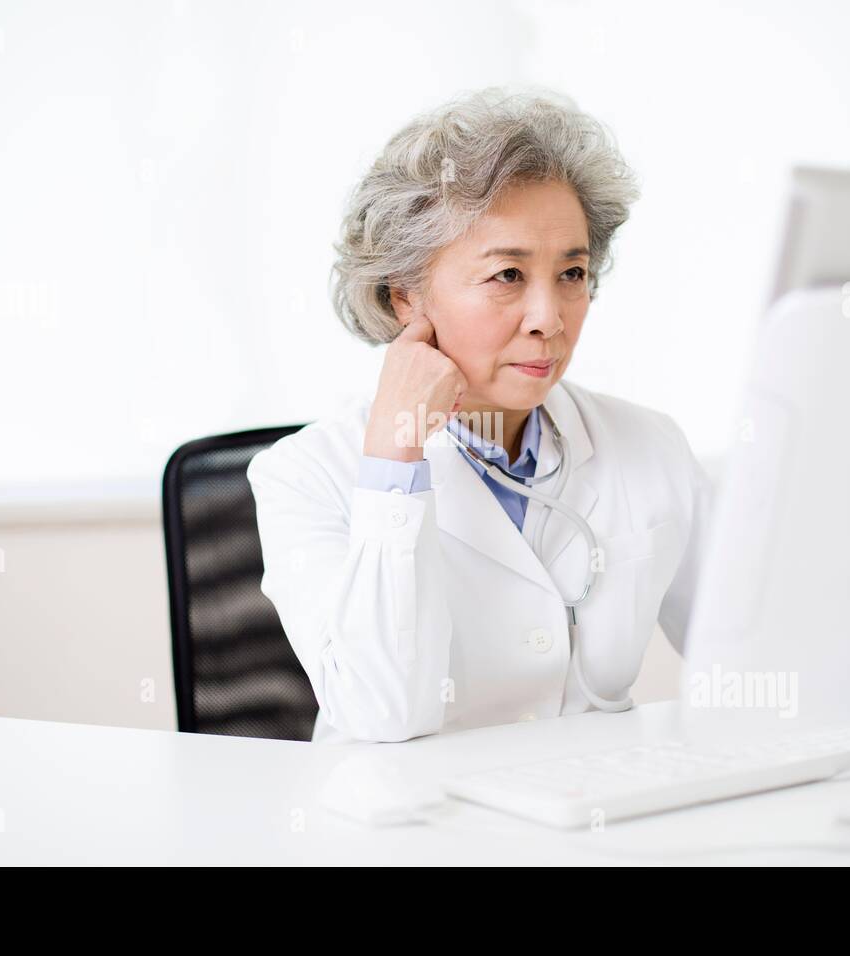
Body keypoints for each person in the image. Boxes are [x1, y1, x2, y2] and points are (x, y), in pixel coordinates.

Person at [247, 87, 711, 744]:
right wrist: (394, 455)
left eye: (573, 274)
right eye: (507, 276)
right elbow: (383, 715)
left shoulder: (652, 446)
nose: (549, 318)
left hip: (599, 828)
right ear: (404, 295)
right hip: (411, 835)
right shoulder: (305, 475)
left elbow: (758, 659)